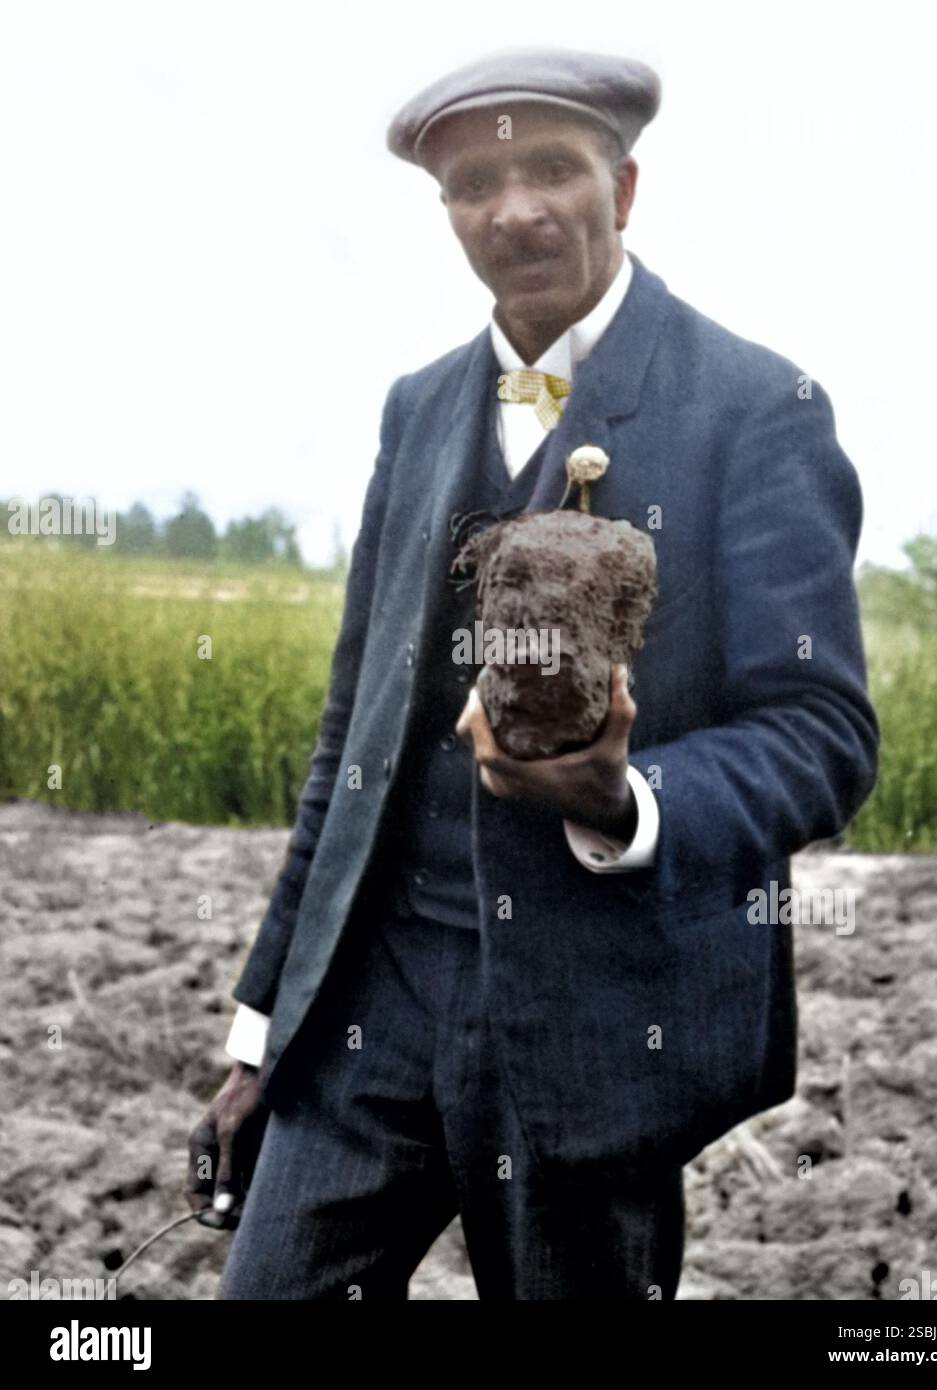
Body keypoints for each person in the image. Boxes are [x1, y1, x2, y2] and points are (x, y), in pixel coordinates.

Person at [186, 45, 879, 1300]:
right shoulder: (415, 409)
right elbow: (354, 737)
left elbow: (819, 734)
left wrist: (624, 801)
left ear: (621, 190)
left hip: (599, 1023)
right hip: (372, 1011)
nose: (514, 208)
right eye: (474, 182)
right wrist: (261, 1029)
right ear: (446, 212)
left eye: (551, 168)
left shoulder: (754, 406)